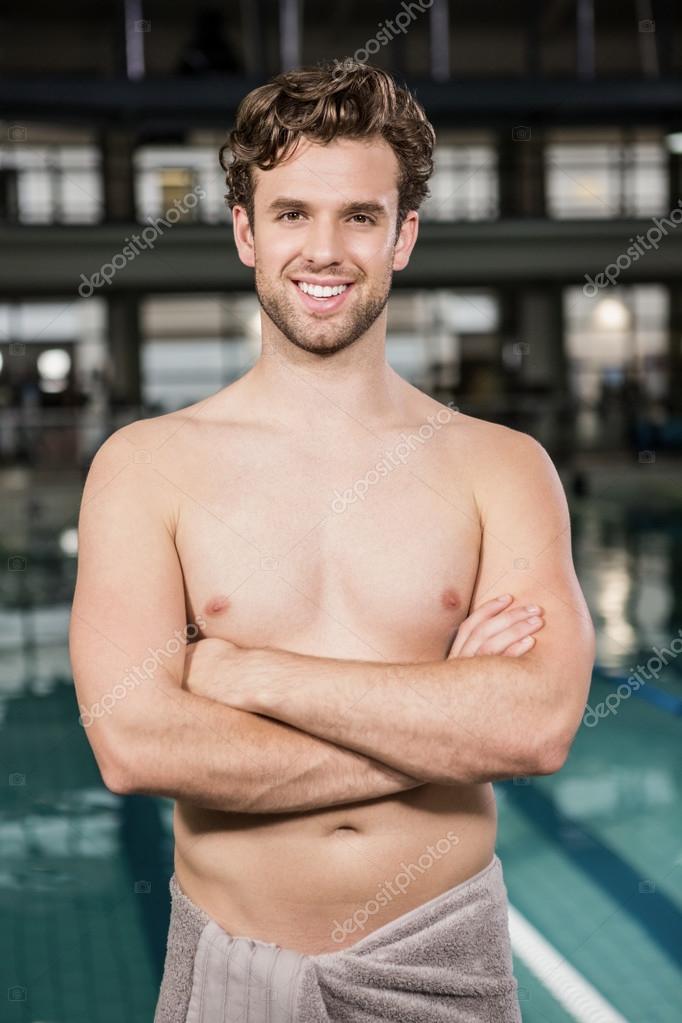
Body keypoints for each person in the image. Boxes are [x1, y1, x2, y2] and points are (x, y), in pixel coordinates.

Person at [69, 60, 596, 1023]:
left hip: (446, 964)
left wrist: (248, 673)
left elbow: (537, 725)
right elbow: (134, 745)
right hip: (238, 965)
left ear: (404, 236)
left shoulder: (502, 466)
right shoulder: (145, 466)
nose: (326, 249)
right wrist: (451, 729)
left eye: (360, 216)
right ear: (245, 233)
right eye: (291, 214)